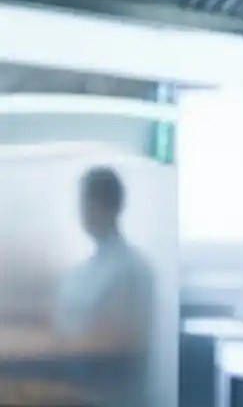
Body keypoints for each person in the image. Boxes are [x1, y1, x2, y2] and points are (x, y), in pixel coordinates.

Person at [53, 166, 154, 407]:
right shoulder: (87, 269)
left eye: (85, 205)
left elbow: (116, 343)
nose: (82, 214)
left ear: (105, 207)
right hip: (81, 386)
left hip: (108, 395)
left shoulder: (130, 269)